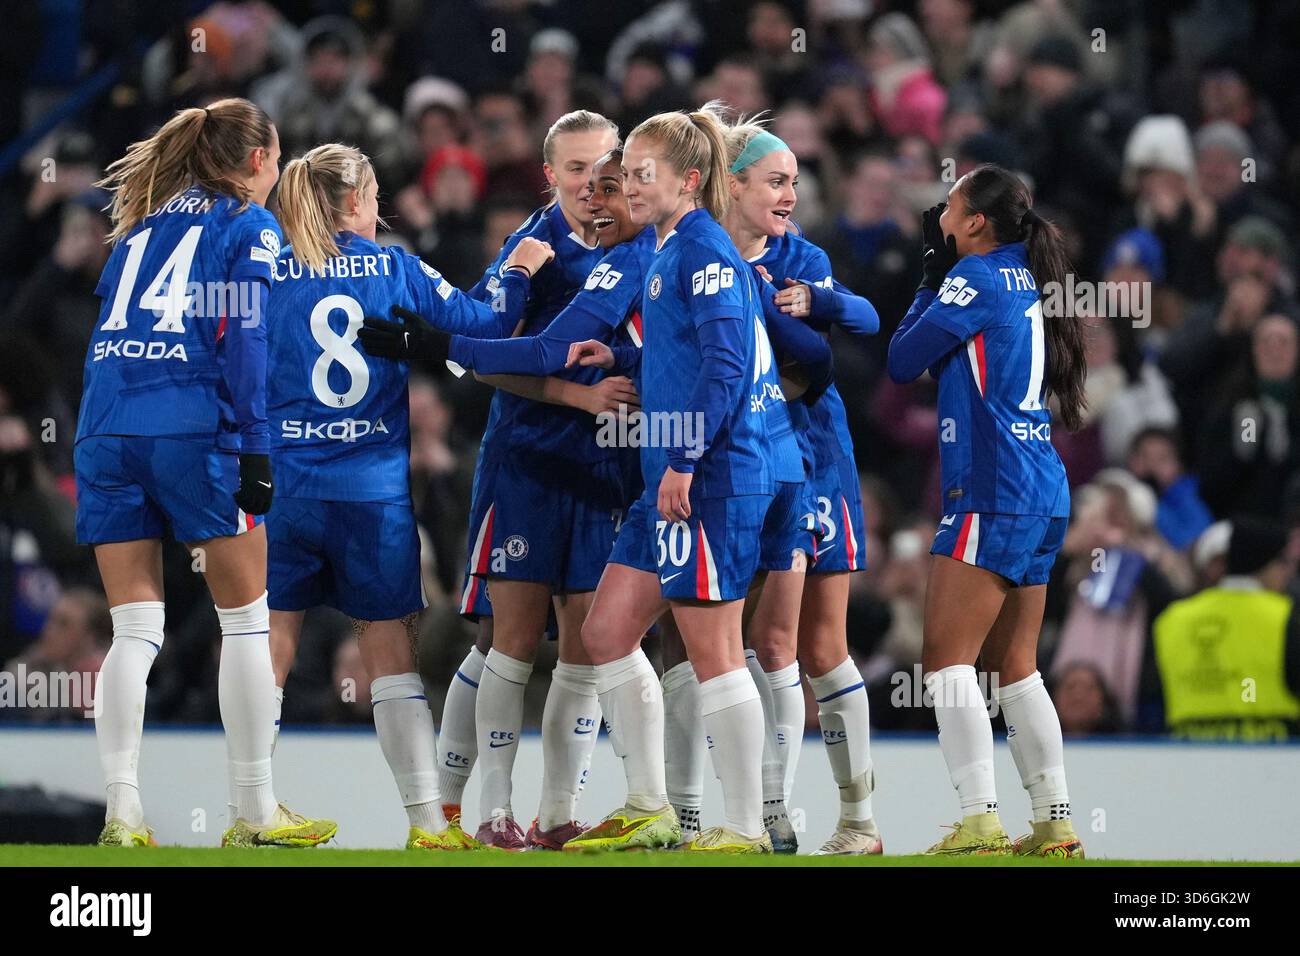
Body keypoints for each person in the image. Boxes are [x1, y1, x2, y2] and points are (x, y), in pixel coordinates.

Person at [266, 142, 552, 850]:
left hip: (286, 486)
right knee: (390, 654)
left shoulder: (268, 271)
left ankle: (250, 807)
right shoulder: (393, 267)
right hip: (370, 493)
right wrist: (515, 270)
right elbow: (483, 324)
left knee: (265, 647)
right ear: (360, 199)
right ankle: (427, 823)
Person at [363, 146, 645, 850]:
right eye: (576, 169)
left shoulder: (636, 245)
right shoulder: (529, 249)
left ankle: (555, 814)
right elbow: (484, 360)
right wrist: (574, 396)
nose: (591, 185)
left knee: (584, 646)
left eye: (605, 171)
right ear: (550, 173)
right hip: (527, 465)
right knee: (504, 641)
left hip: (605, 471)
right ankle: (481, 808)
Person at [74, 98, 333, 847]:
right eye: (277, 159)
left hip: (105, 425)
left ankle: (122, 814)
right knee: (247, 620)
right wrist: (256, 448)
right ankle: (254, 813)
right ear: (258, 161)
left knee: (133, 628)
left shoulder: (141, 228)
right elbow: (245, 339)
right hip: (193, 426)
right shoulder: (250, 226)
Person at [560, 103, 804, 854]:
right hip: (670, 480)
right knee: (603, 633)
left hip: (710, 478)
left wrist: (686, 460)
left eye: (643, 173)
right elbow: (695, 359)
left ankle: (740, 827)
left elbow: (730, 367)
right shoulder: (671, 250)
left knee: (715, 652)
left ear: (689, 180)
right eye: (625, 172)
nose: (628, 186)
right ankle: (650, 803)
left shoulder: (702, 251)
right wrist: (625, 361)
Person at [663, 115, 883, 856]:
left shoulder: (801, 257)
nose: (792, 194)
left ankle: (837, 818)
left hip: (811, 461)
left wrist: (815, 302)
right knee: (713, 643)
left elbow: (863, 318)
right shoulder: (697, 248)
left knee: (802, 644)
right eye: (779, 181)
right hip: (732, 462)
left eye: (796, 182)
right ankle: (698, 812)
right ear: (734, 184)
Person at [887, 163, 1087, 858]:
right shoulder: (1020, 278)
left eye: (951, 203)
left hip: (993, 489)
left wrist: (927, 277)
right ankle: (1055, 821)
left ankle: (978, 821)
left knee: (946, 663)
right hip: (1040, 485)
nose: (940, 211)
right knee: (1016, 667)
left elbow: (902, 358)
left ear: (975, 222)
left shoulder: (972, 278)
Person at [1152, 518, 1300, 740]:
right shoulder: (1287, 615)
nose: (1288, 574)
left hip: (1186, 748)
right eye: (1285, 564)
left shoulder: (1171, 618)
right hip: (1272, 749)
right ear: (1266, 564)